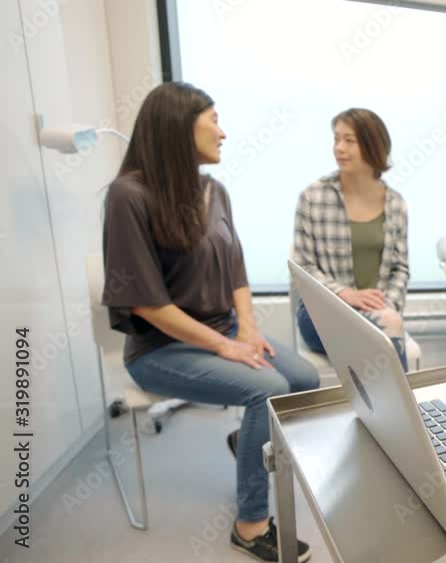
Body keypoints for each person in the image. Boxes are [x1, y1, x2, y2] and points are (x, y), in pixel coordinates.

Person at [102, 82, 317, 562]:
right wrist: (224, 348)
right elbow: (144, 304)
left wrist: (248, 330)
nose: (224, 132)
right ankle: (250, 524)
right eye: (214, 120)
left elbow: (236, 269)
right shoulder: (128, 195)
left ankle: (248, 440)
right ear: (180, 126)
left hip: (221, 332)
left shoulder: (212, 189)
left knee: (303, 379)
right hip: (160, 349)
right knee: (266, 389)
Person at [293, 108, 410, 370]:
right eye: (336, 139)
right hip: (321, 314)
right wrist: (346, 295)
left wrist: (385, 305)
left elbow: (400, 269)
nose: (339, 148)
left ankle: (387, 409)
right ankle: (406, 409)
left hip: (378, 313)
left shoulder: (395, 204)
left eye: (349, 140)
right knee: (387, 334)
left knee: (387, 326)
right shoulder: (313, 197)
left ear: (373, 145)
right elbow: (303, 268)